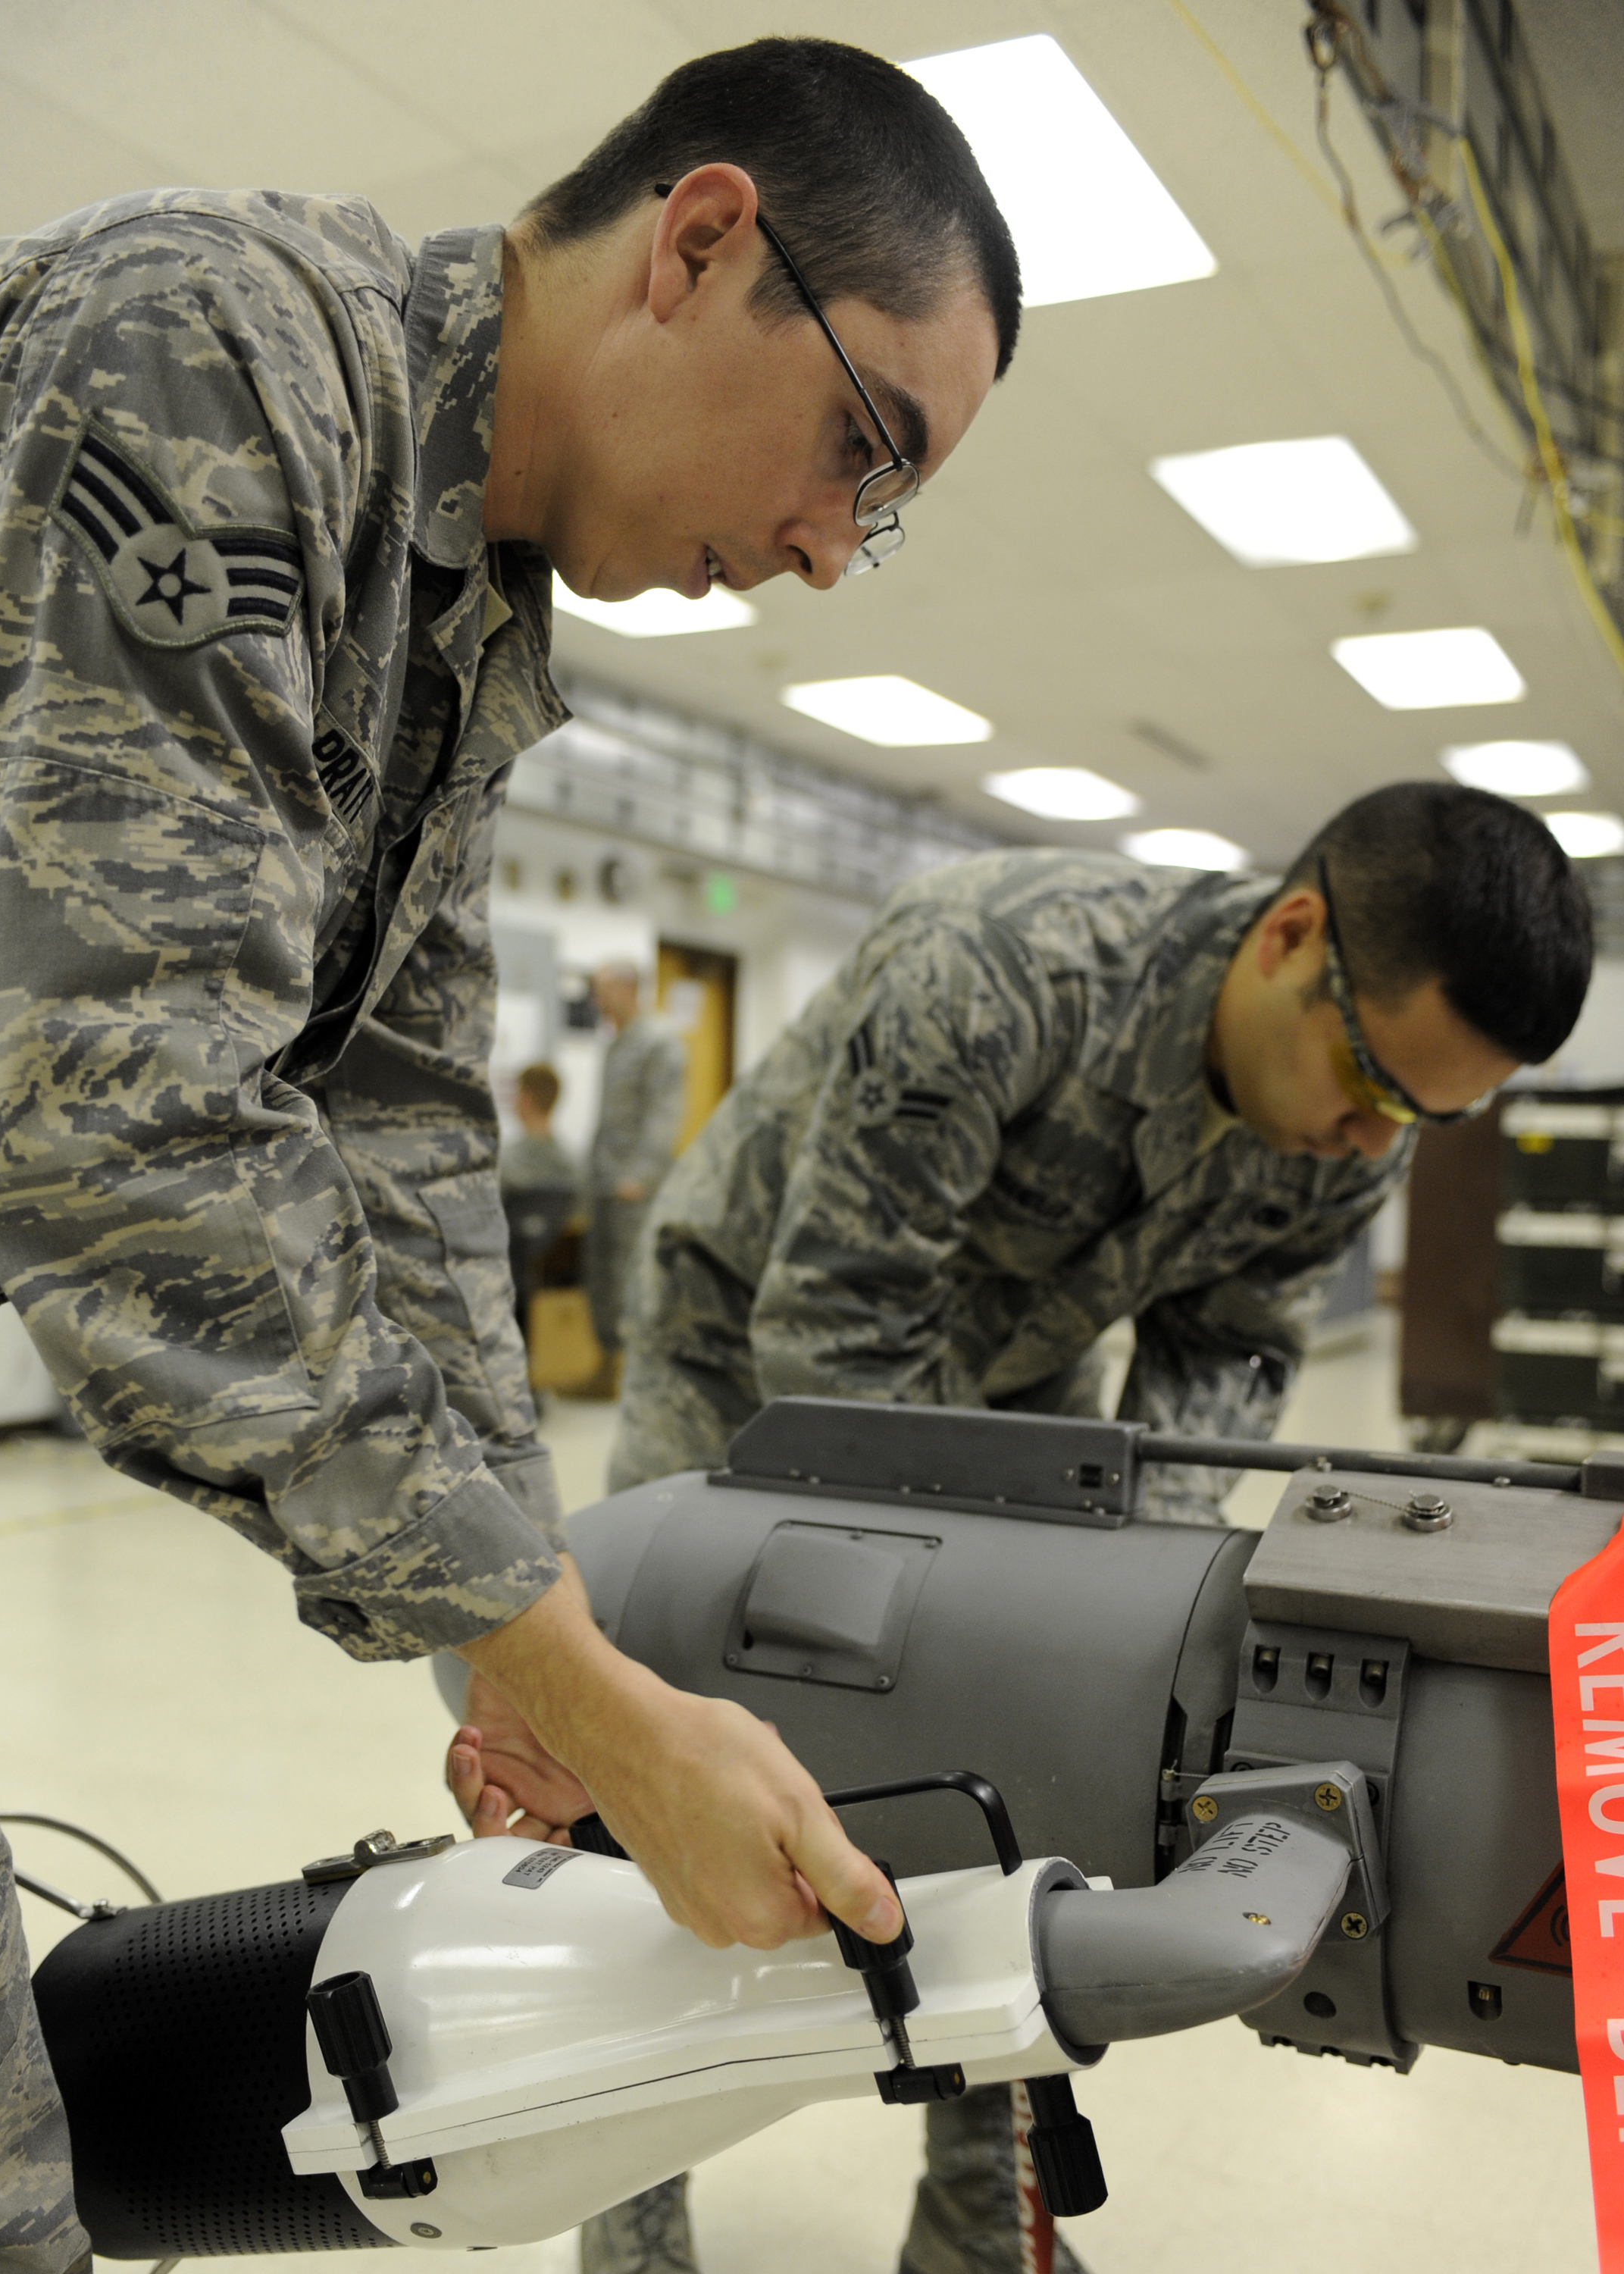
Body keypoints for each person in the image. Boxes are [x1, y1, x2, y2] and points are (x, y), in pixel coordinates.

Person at [0, 34, 1018, 2269]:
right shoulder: (219, 354)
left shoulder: (455, 618)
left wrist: (520, 1655)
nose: (828, 548)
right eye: (862, 443)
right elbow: (120, 1124)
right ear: (698, 241)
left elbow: (406, 1145)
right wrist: (582, 1690)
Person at [587, 781, 1591, 2274]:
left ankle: (982, 2227)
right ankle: (629, 2219)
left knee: (1015, 1797)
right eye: (1370, 1083)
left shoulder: (1353, 1131)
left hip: (1018, 1389)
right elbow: (838, 1342)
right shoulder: (994, 970)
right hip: (750, 1363)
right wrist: (954, 1629)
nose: (1363, 1145)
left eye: (1418, 1120)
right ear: (1291, 936)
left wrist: (1120, 1641)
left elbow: (1225, 1353)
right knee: (652, 1791)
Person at [580, 963, 688, 1395]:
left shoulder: (660, 1043)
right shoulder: (616, 1044)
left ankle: (634, 1374)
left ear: (628, 989)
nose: (597, 1001)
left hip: (634, 1187)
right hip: (604, 1180)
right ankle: (608, 1365)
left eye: (602, 991)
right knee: (601, 1276)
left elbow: (665, 1115)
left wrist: (641, 1175)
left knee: (632, 1276)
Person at [501, 1062, 582, 1335]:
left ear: (525, 1098)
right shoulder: (574, 1166)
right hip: (556, 1283)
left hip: (509, 1281)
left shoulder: (505, 1164)